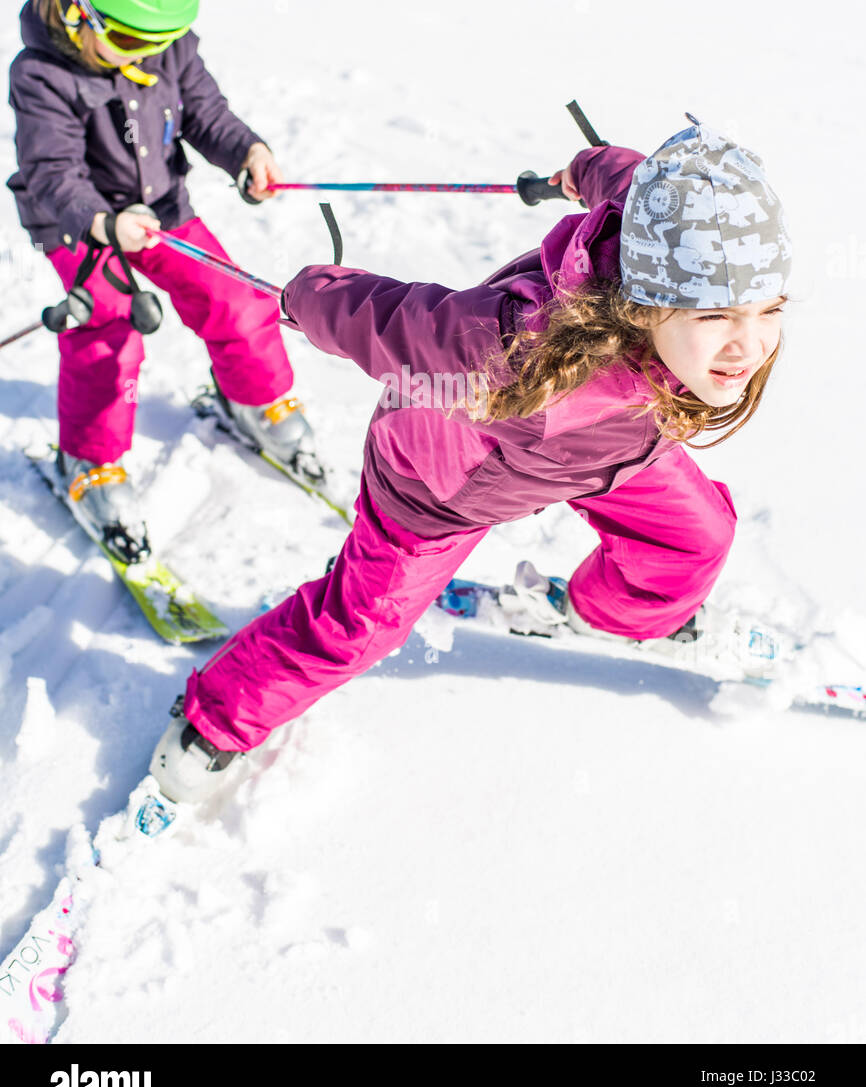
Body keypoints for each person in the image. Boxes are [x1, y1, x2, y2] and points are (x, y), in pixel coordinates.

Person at [151, 115, 792, 803]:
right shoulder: (512, 346)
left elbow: (627, 175)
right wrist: (312, 297)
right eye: (715, 317)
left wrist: (584, 166)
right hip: (440, 482)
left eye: (768, 309)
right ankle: (216, 718)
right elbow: (394, 325)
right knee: (361, 623)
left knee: (695, 537)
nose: (749, 345)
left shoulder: (659, 223)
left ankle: (610, 614)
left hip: (612, 449)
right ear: (643, 304)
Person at [7, 0, 315, 559]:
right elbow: (51, 175)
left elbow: (203, 108)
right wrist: (102, 224)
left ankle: (255, 399)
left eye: (163, 38)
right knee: (108, 324)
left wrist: (246, 151)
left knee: (237, 298)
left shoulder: (160, 45)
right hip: (79, 226)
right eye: (127, 36)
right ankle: (90, 460)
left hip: (164, 209)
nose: (147, 52)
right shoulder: (39, 76)